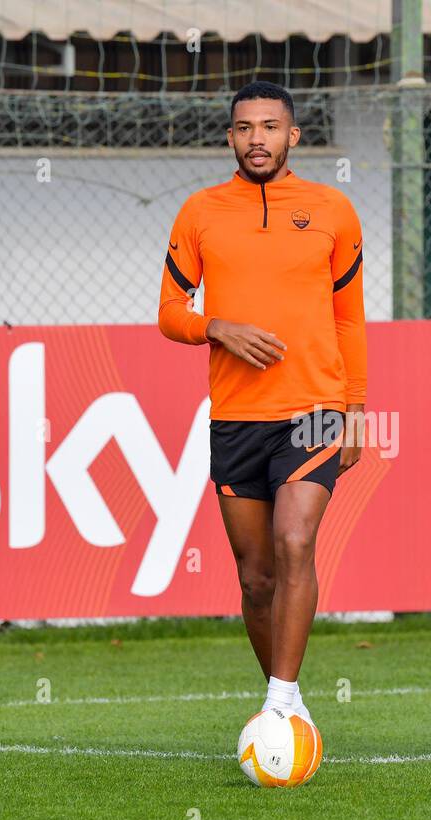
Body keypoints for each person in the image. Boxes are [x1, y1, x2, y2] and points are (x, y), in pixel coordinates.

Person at [158, 81, 366, 725]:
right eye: (245, 127)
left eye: (271, 127)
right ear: (230, 137)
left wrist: (354, 407)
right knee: (255, 578)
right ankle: (289, 700)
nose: (257, 138)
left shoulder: (333, 209)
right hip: (236, 419)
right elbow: (169, 313)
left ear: (293, 135)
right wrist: (214, 327)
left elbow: (350, 321)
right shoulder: (200, 211)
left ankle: (278, 701)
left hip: (314, 412)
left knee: (294, 540)